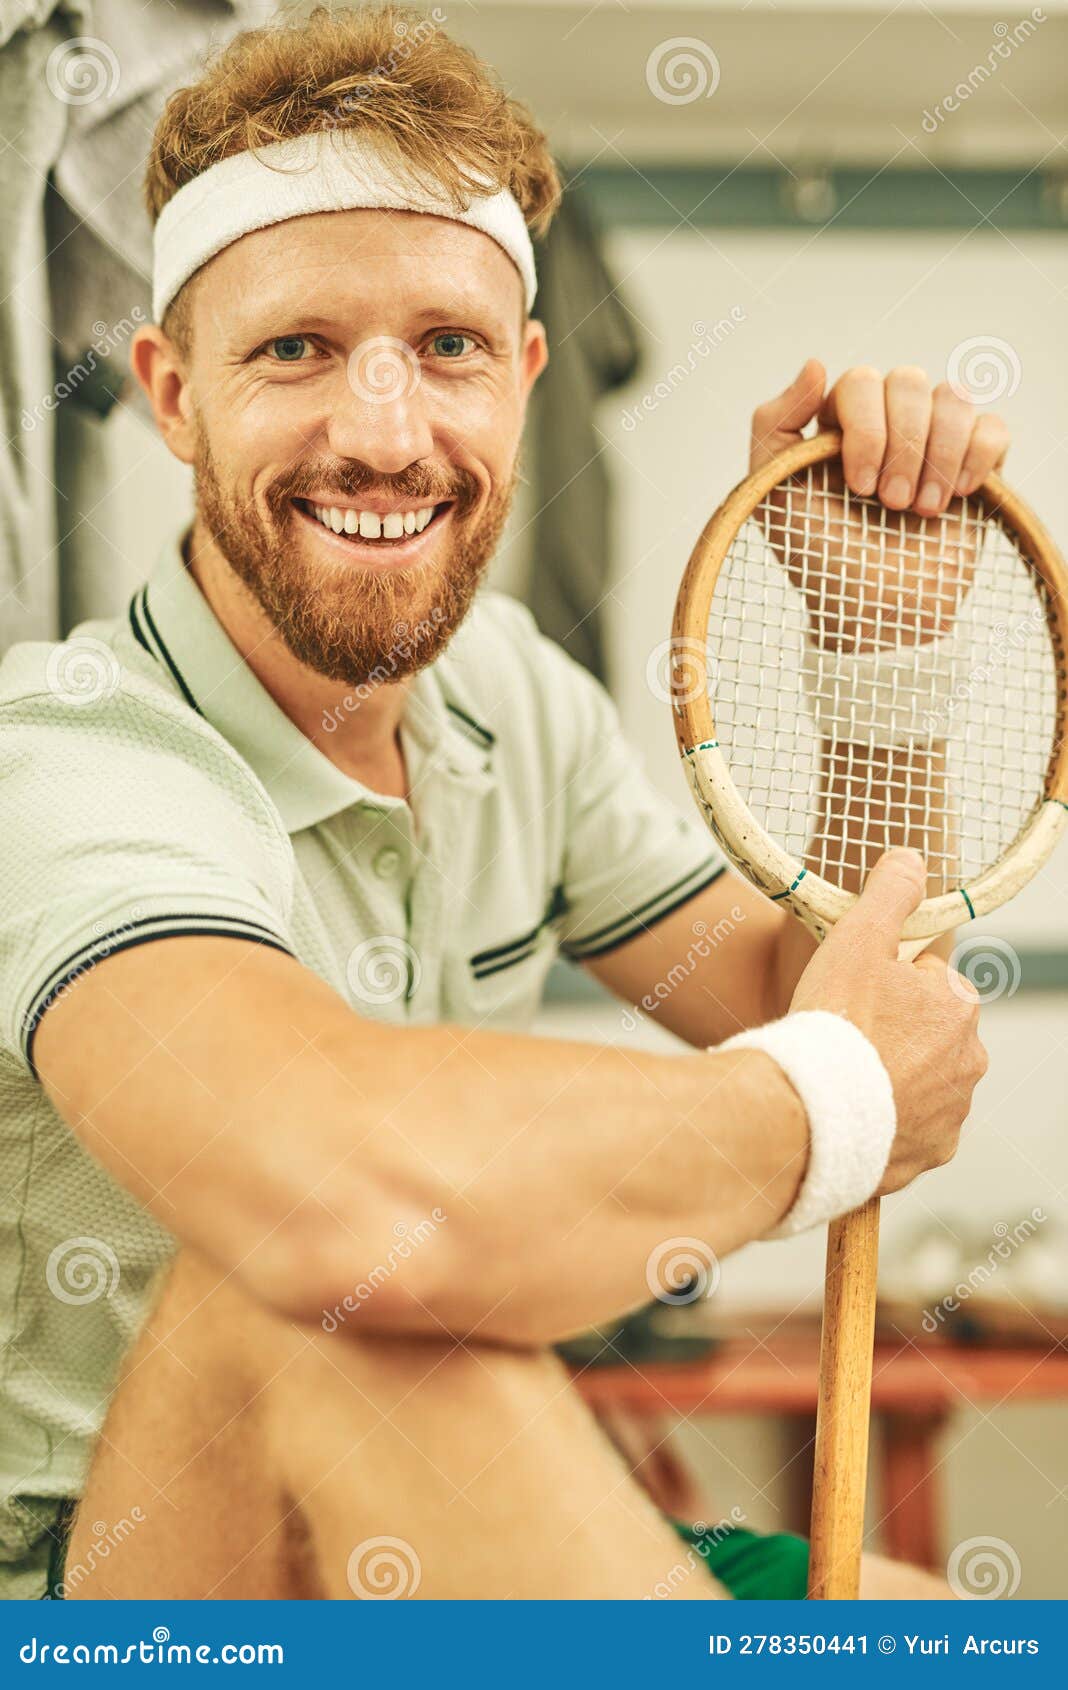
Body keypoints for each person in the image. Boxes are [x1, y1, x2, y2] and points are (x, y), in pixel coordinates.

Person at [0, 4, 999, 1601]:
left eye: (448, 347)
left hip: (418, 1538)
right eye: (294, 349)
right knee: (319, 1280)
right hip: (125, 1609)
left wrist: (880, 662)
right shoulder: (56, 760)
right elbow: (343, 1202)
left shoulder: (510, 695)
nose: (384, 433)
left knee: (948, 1636)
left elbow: (832, 1008)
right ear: (173, 396)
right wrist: (825, 1102)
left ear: (525, 377)